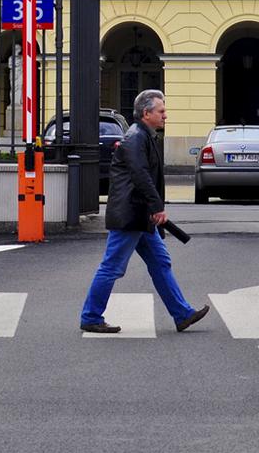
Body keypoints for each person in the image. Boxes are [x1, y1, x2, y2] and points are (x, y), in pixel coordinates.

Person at [79, 89, 208, 335]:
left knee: (161, 262)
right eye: (161, 111)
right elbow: (140, 175)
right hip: (130, 216)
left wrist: (154, 210)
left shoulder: (144, 136)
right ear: (146, 113)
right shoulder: (135, 137)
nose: (165, 116)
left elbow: (144, 176)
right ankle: (91, 316)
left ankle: (182, 314)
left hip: (140, 216)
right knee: (112, 267)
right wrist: (157, 207)